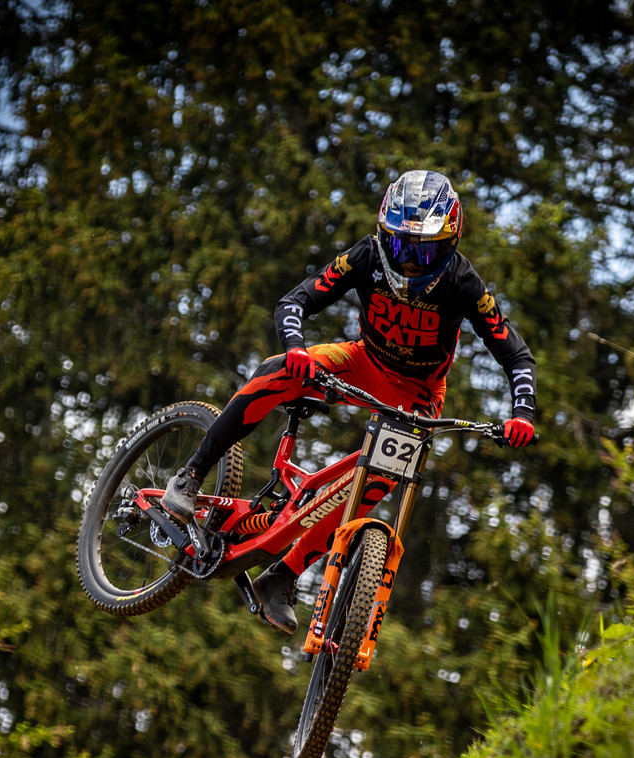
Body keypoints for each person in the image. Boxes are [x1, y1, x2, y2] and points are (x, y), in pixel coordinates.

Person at [162, 169, 538, 634]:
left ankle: (283, 575)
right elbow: (294, 302)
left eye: (425, 250)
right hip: (361, 362)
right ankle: (191, 476)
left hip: (417, 394)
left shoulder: (464, 282)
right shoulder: (365, 255)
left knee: (377, 480)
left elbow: (515, 354)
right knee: (276, 369)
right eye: (402, 247)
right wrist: (298, 348)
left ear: (450, 242)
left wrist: (522, 412)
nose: (413, 263)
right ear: (385, 235)